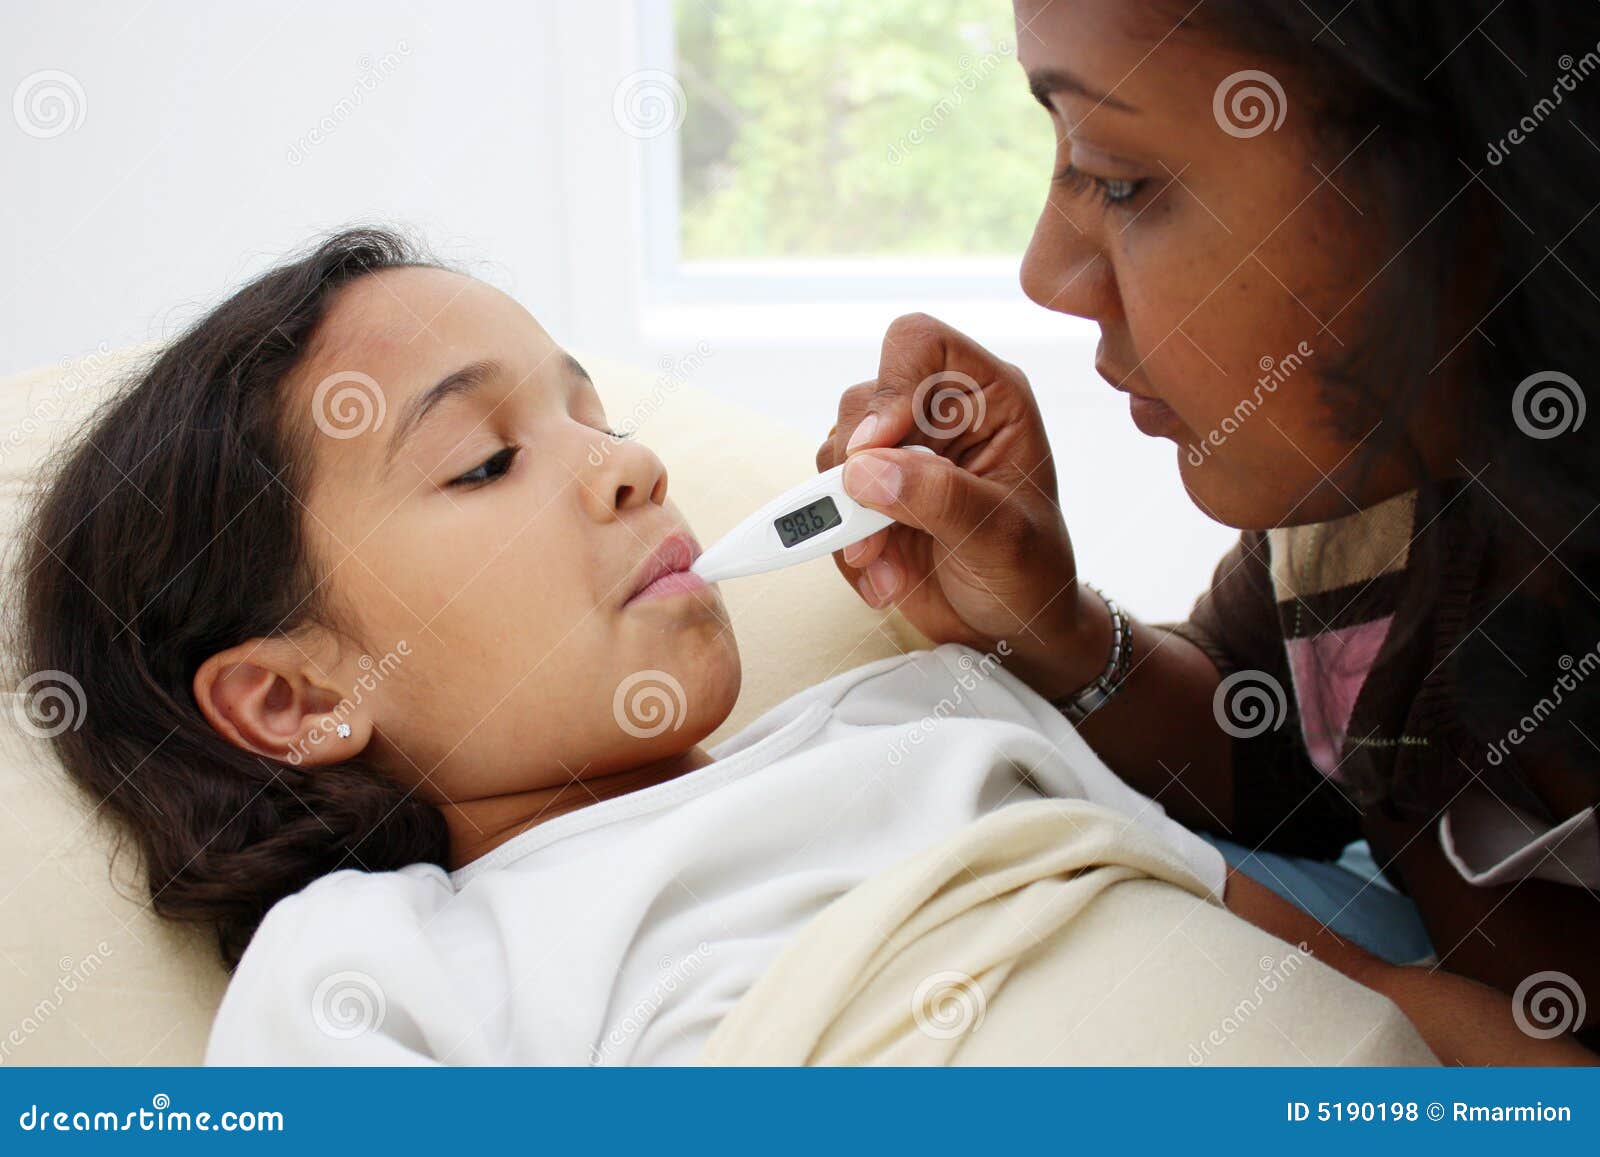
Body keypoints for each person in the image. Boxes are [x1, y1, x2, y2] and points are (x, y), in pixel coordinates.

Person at [820, 0, 1600, 1057]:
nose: (1046, 272)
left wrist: (1397, 1003)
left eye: (1119, 177)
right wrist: (1058, 630)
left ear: (1478, 176)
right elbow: (1274, 743)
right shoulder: (1367, 509)